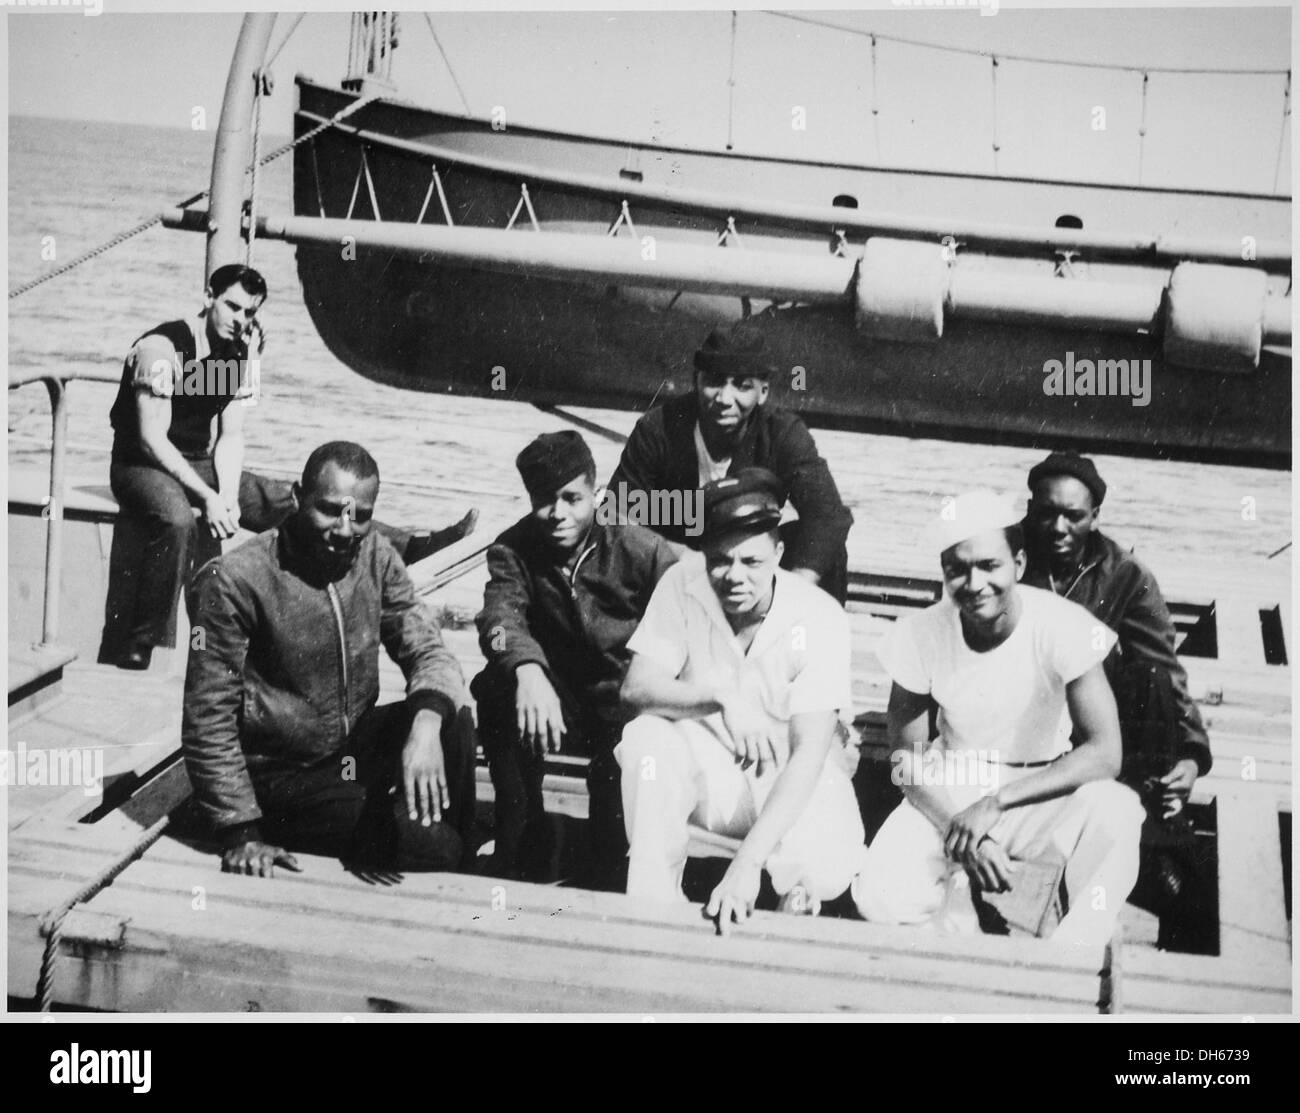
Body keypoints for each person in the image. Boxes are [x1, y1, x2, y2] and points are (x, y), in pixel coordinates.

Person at [101, 263, 475, 670]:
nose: (240, 320)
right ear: (208, 298)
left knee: (287, 499)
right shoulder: (163, 348)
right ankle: (142, 640)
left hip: (196, 462)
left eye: (250, 313)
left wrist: (225, 496)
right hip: (140, 464)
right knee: (176, 518)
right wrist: (208, 497)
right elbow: (150, 439)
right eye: (232, 307)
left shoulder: (237, 354)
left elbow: (231, 436)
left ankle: (412, 546)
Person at [850, 490, 1144, 946]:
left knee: (1119, 812)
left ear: (1019, 564)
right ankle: (955, 910)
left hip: (1038, 789)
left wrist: (997, 804)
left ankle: (1076, 948)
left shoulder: (1062, 626)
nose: (974, 583)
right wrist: (960, 830)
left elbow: (1105, 754)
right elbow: (908, 764)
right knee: (880, 898)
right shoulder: (919, 634)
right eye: (957, 569)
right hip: (954, 787)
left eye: (990, 565)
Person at [181, 441, 477, 877]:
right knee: (437, 848)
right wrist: (240, 830)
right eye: (329, 510)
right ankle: (435, 848)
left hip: (346, 754)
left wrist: (427, 723)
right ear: (298, 499)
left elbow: (427, 649)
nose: (344, 529)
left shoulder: (376, 557)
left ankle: (444, 848)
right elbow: (208, 717)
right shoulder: (238, 580)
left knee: (452, 720)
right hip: (278, 776)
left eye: (360, 515)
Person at [616, 468, 866, 933]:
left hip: (790, 777)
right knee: (646, 739)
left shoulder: (820, 617)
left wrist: (746, 864)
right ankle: (650, 910)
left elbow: (810, 753)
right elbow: (636, 689)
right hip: (712, 780)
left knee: (825, 870)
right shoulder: (681, 583)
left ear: (779, 553)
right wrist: (721, 697)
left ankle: (790, 924)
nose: (733, 577)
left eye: (751, 562)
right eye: (719, 560)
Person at [472, 431, 678, 886]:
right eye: (544, 499)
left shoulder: (641, 548)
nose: (558, 513)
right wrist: (527, 669)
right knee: (495, 686)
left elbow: (685, 620)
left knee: (609, 853)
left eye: (572, 497)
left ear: (596, 492)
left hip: (624, 704)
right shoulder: (513, 549)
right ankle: (523, 832)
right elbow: (498, 622)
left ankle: (614, 844)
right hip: (556, 700)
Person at [1021, 451, 1212, 914]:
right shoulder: (1002, 555)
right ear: (1030, 509)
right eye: (1047, 513)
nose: (1059, 528)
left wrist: (1191, 753)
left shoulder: (1126, 573)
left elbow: (1165, 666)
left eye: (1073, 516)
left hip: (1088, 710)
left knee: (1149, 678)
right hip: (1018, 699)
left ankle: (1159, 836)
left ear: (1095, 517)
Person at [608, 322, 853, 604]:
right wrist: (679, 558)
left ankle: (805, 641)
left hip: (746, 565)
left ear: (763, 392)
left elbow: (828, 515)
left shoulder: (782, 432)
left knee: (824, 549)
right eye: (714, 381)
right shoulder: (659, 427)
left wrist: (793, 593)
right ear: (696, 381)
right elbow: (618, 512)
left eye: (742, 385)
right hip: (677, 564)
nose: (725, 398)